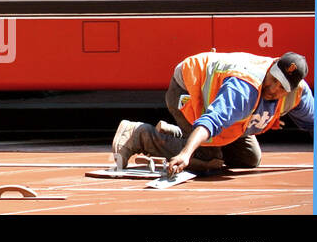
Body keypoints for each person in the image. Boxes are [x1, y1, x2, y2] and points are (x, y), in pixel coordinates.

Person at [112, 51, 312, 173]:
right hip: (190, 88)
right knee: (208, 157)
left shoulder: (299, 95)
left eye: (282, 87)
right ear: (271, 67)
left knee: (249, 158)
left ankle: (180, 134)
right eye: (273, 80)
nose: (273, 89)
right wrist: (185, 154)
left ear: (293, 89)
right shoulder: (245, 87)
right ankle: (141, 135)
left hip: (229, 116)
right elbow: (212, 120)